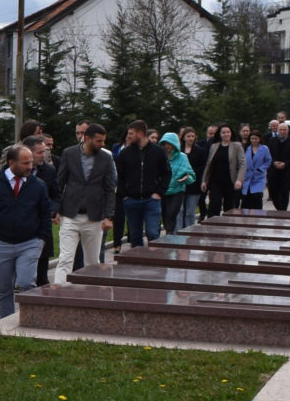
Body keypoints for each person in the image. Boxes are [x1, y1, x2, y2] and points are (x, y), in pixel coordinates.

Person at [0, 142, 55, 319]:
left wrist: (41, 240)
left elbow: (45, 213)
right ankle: (5, 326)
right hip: (0, 244)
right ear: (11, 163)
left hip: (29, 243)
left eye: (31, 162)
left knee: (27, 282)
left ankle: (29, 320)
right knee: (3, 289)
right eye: (25, 163)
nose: (30, 166)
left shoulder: (38, 185)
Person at [50, 123, 116, 286]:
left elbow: (109, 189)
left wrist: (108, 216)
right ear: (87, 138)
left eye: (103, 141)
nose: (102, 145)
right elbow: (59, 183)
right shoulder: (69, 153)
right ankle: (60, 296)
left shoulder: (106, 158)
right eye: (99, 141)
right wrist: (55, 209)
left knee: (93, 261)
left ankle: (90, 295)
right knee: (65, 258)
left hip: (94, 217)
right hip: (70, 214)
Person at [116, 120, 170, 250]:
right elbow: (120, 176)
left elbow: (167, 173)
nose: (128, 136)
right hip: (131, 200)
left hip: (151, 200)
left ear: (140, 134)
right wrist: (124, 195)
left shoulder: (158, 151)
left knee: (152, 233)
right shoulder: (125, 153)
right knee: (135, 236)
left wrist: (159, 192)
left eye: (131, 133)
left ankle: (155, 261)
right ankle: (137, 265)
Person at [25, 133, 58, 288]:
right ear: (28, 152)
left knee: (42, 276)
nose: (43, 155)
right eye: (40, 152)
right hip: (20, 227)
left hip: (42, 227)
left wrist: (52, 210)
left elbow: (56, 195)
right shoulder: (13, 171)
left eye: (44, 151)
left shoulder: (50, 171)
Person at [203, 124, 242, 218]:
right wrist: (204, 180)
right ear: (220, 134)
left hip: (230, 181)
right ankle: (211, 227)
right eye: (223, 132)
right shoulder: (214, 146)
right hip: (215, 181)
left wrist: (239, 179)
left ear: (231, 133)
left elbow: (243, 164)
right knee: (214, 204)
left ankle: (227, 229)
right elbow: (209, 165)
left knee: (229, 207)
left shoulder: (237, 146)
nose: (226, 134)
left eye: (228, 132)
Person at [160, 132, 196, 236]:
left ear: (175, 144)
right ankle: (169, 232)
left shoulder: (182, 157)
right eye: (165, 143)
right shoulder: (160, 156)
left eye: (169, 143)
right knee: (165, 215)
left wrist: (186, 178)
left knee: (172, 213)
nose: (167, 146)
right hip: (163, 191)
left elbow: (192, 176)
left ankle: (170, 233)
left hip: (177, 190)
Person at [266, 117, 290, 211]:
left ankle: (283, 211)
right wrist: (274, 162)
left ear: (288, 131)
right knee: (273, 193)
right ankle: (279, 210)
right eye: (280, 129)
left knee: (284, 192)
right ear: (277, 130)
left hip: (287, 172)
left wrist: (285, 163)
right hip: (273, 171)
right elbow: (268, 155)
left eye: (284, 129)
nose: (282, 131)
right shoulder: (272, 141)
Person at [240, 129, 272, 210]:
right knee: (246, 198)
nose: (254, 140)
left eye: (256, 138)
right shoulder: (246, 148)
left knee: (257, 197)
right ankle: (245, 218)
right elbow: (242, 161)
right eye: (252, 138)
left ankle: (258, 216)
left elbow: (268, 161)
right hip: (247, 177)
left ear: (259, 139)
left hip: (258, 177)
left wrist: (261, 169)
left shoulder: (264, 148)